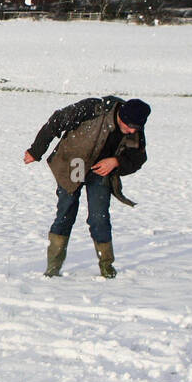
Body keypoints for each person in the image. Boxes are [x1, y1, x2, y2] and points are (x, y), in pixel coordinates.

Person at [24, 96, 149, 278]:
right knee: (66, 213)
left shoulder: (135, 127)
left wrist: (116, 162)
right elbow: (57, 121)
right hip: (74, 163)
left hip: (100, 170)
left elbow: (138, 158)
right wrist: (36, 151)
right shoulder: (93, 109)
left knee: (99, 218)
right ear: (120, 115)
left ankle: (107, 268)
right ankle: (53, 268)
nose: (131, 131)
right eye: (129, 126)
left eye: (135, 128)